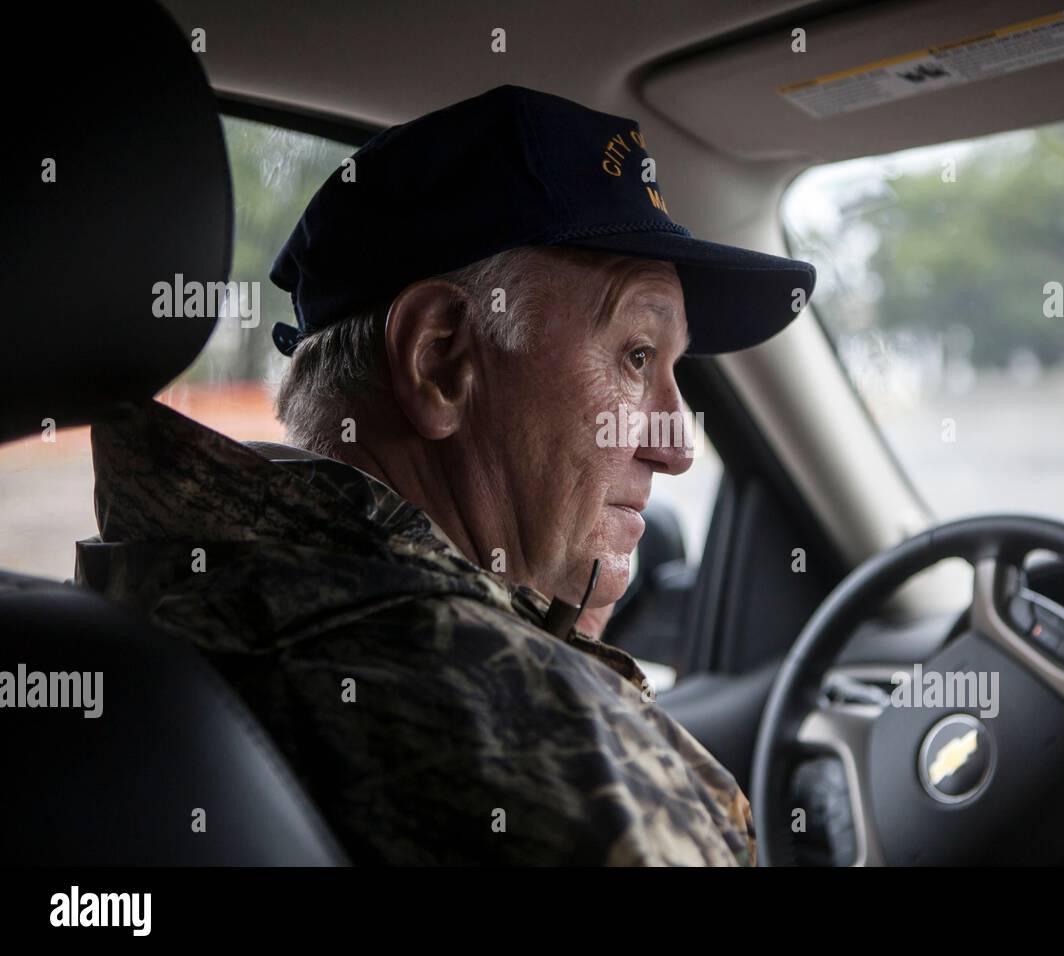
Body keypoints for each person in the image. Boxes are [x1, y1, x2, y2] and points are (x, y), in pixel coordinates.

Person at [76, 84, 815, 865]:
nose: (677, 447)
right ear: (440, 359)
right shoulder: (538, 746)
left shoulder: (145, 596)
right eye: (636, 355)